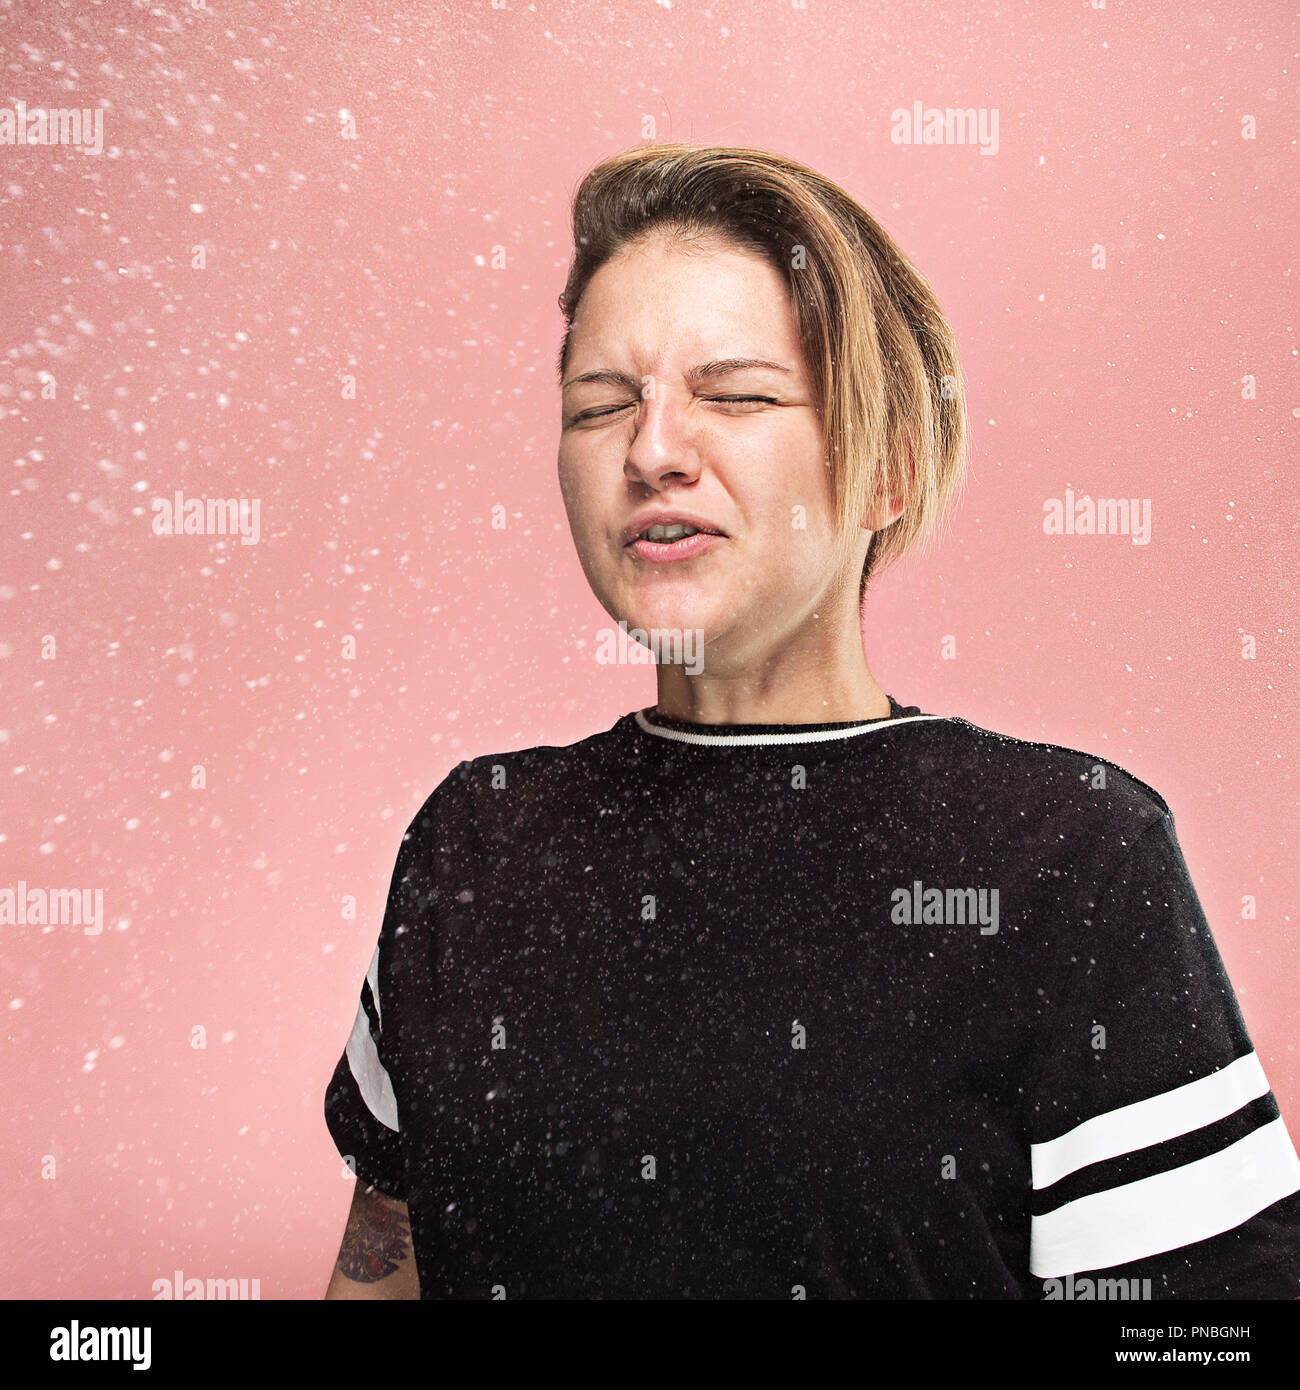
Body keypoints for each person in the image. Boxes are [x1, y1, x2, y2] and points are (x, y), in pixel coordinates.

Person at [322, 143, 1300, 1299]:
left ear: (885, 463)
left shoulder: (1070, 855)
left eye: (734, 394)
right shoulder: (471, 843)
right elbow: (384, 1267)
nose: (652, 450)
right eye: (600, 405)